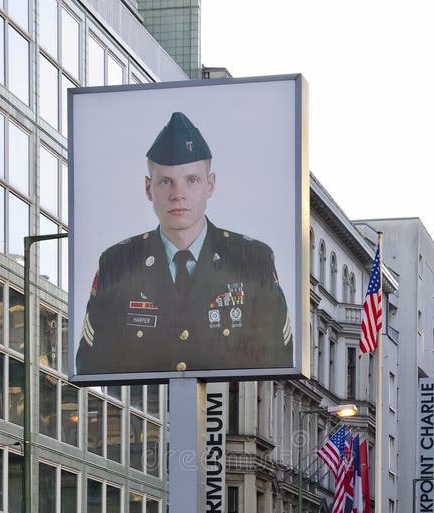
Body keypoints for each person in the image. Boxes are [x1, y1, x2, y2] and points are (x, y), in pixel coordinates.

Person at [76, 111, 293, 376]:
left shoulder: (252, 260)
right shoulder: (118, 264)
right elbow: (91, 363)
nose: (178, 195)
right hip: (148, 413)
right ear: (148, 188)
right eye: (166, 181)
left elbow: (278, 358)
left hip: (226, 410)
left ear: (209, 185)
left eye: (191, 180)